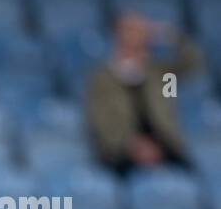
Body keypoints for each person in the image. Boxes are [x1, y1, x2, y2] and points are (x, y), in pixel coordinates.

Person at [85, 11, 203, 175]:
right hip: (122, 149)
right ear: (117, 35)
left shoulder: (162, 74)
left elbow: (193, 63)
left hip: (163, 144)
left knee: (191, 173)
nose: (137, 35)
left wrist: (173, 36)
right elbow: (100, 120)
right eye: (131, 30)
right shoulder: (102, 79)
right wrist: (132, 145)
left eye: (141, 30)